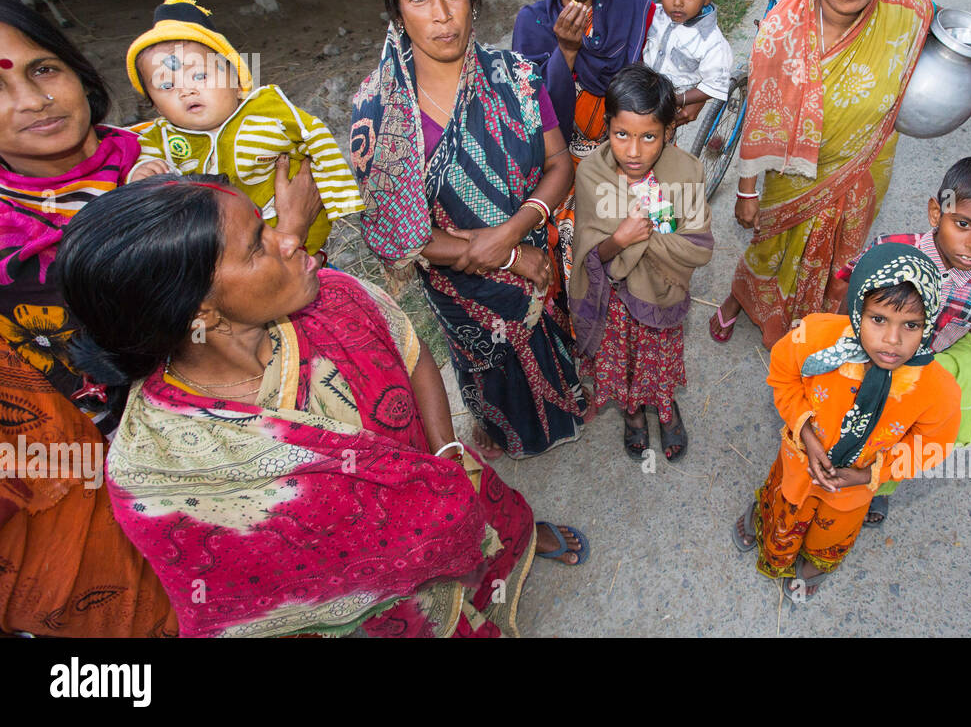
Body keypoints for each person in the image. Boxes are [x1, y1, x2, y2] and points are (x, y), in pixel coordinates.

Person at [54, 177, 588, 638]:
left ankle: (507, 544)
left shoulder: (337, 296)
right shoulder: (155, 474)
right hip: (383, 609)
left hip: (453, 480)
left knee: (493, 518)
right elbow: (254, 607)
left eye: (267, 223)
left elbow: (414, 354)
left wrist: (447, 454)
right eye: (257, 246)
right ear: (203, 313)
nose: (290, 238)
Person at [0, 0, 317, 636]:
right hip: (116, 472)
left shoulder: (164, 161)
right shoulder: (10, 247)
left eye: (42, 70)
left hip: (258, 410)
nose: (32, 100)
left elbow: (256, 282)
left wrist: (286, 237)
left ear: (77, 72)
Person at [352, 0, 587, 460]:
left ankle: (559, 406)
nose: (441, 14)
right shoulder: (378, 113)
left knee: (548, 341)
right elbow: (400, 233)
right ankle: (500, 428)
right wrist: (504, 256)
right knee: (486, 365)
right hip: (459, 288)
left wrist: (512, 233)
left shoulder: (517, 78)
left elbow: (559, 165)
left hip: (534, 255)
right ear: (396, 10)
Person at [710, 0, 934, 349]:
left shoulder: (907, 12)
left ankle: (812, 328)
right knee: (768, 246)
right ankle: (740, 299)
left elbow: (954, 30)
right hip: (793, 177)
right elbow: (759, 117)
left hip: (863, 170)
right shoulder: (782, 29)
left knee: (838, 261)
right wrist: (748, 190)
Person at [732, 243, 960, 599]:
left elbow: (933, 445)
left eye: (912, 325)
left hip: (852, 491)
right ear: (856, 308)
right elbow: (782, 374)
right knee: (783, 505)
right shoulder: (818, 337)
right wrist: (806, 433)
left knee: (831, 532)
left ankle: (812, 567)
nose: (892, 340)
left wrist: (869, 475)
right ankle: (765, 525)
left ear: (929, 322)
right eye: (878, 319)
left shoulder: (936, 387)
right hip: (799, 464)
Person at [836, 156, 971, 523]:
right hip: (867, 355)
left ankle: (879, 486)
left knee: (899, 434)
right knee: (851, 420)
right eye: (963, 223)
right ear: (937, 213)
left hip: (922, 371)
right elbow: (853, 293)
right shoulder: (889, 249)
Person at [125, 0, 363, 255]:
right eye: (167, 86)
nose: (186, 90)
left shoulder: (267, 109)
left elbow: (315, 135)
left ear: (237, 82)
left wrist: (341, 197)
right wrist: (141, 173)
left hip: (291, 225)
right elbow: (146, 166)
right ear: (157, 107)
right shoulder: (160, 138)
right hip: (224, 244)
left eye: (200, 75)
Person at [569, 64, 713, 462]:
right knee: (621, 363)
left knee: (658, 365)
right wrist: (620, 239)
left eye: (649, 136)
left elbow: (698, 248)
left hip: (660, 297)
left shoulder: (686, 173)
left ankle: (665, 412)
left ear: (669, 132)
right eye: (622, 135)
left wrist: (640, 239)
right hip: (613, 305)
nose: (633, 151)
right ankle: (633, 416)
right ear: (607, 127)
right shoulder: (593, 176)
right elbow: (588, 255)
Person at [513, 0, 655, 279]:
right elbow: (531, 114)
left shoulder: (633, 9)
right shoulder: (533, 22)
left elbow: (651, 90)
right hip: (560, 163)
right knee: (577, 247)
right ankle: (587, 327)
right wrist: (567, 51)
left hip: (628, 154)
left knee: (654, 231)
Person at [642, 0, 732, 127]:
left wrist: (678, 99)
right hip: (641, 100)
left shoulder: (711, 42)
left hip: (670, 110)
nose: (677, 2)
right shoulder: (652, 15)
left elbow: (714, 85)